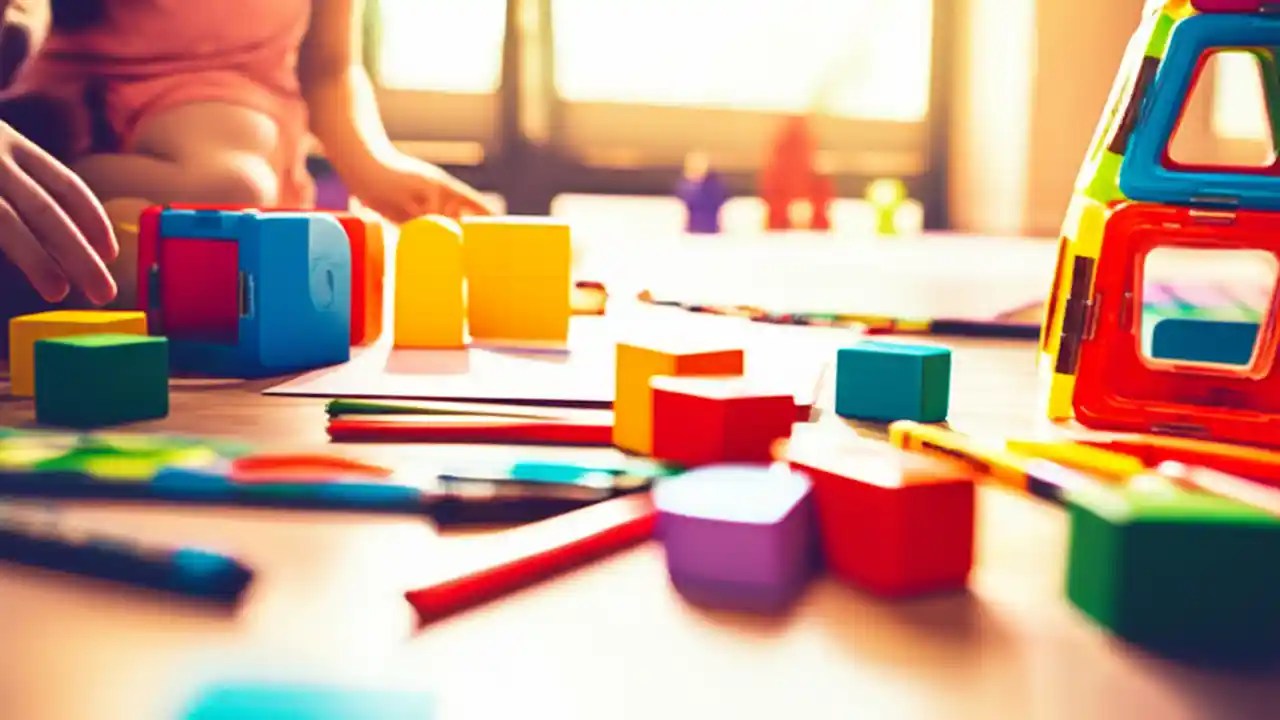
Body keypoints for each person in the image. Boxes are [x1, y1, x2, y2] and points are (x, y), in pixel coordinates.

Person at [0, 0, 493, 315]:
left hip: (224, 100)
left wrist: (372, 164)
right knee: (138, 277)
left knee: (230, 194)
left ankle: (69, 208)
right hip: (63, 99)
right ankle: (66, 210)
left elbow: (329, 66)